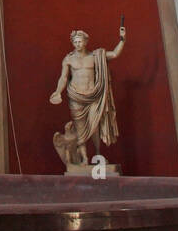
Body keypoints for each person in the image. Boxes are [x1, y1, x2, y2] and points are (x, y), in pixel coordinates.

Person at [49, 25, 125, 162]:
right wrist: (58, 91)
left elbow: (114, 54)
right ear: (73, 43)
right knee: (79, 128)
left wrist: (122, 39)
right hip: (76, 96)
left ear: (85, 42)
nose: (78, 44)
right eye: (75, 42)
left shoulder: (95, 56)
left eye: (80, 41)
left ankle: (97, 154)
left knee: (94, 126)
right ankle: (84, 158)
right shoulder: (69, 59)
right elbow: (64, 77)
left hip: (93, 95)